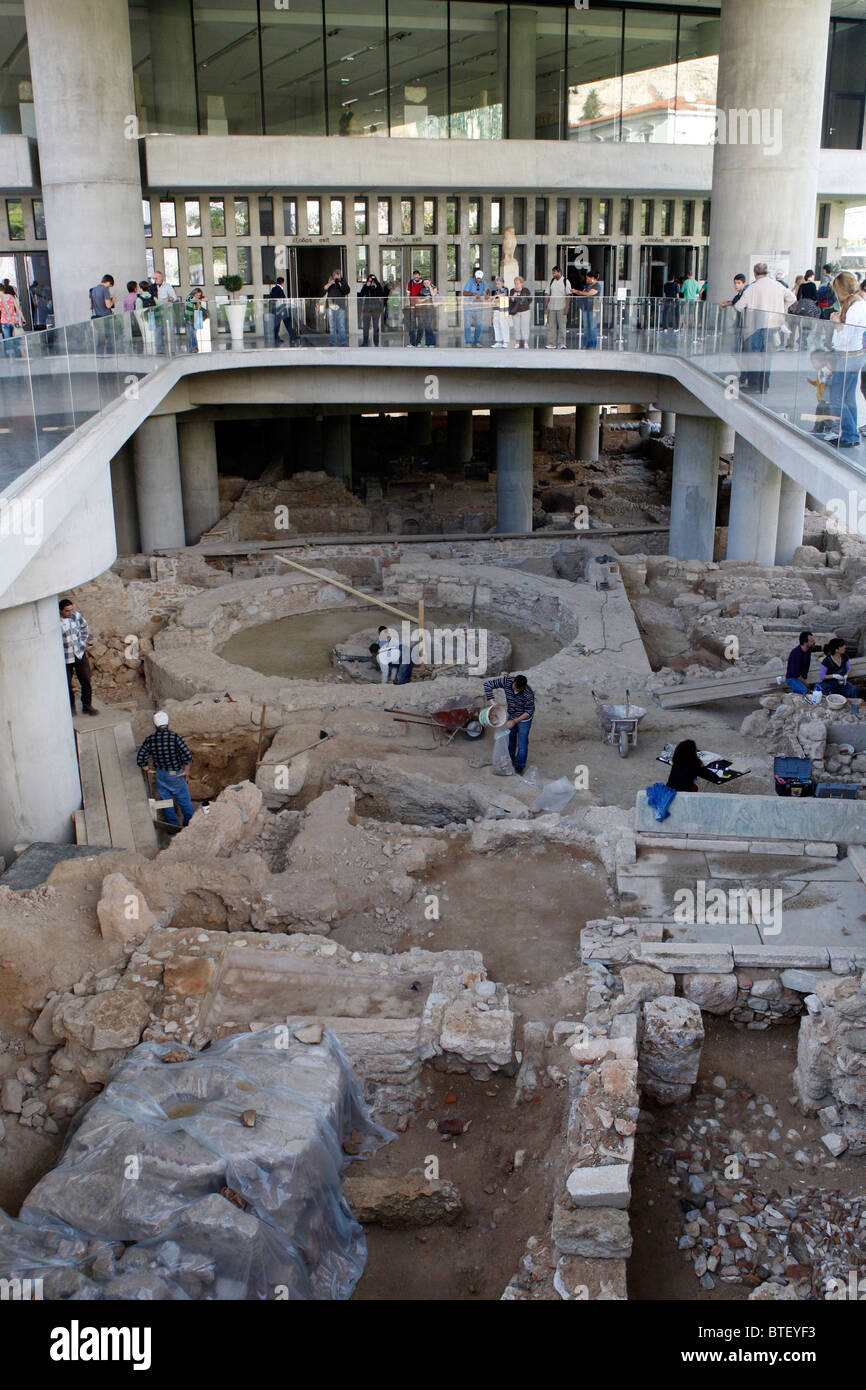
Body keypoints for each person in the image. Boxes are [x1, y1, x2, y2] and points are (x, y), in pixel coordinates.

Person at [733, 262, 795, 393]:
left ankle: (753, 385)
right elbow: (792, 298)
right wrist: (781, 308)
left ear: (755, 274)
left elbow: (738, 306)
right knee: (767, 357)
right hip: (773, 326)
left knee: (755, 356)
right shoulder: (778, 285)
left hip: (756, 326)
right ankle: (764, 386)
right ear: (767, 272)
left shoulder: (753, 288)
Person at [822, 271, 866, 448]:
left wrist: (836, 323)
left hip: (849, 357)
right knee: (847, 397)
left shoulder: (855, 306)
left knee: (836, 397)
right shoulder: (856, 304)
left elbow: (846, 335)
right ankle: (851, 433)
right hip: (855, 356)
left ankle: (849, 434)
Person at [136, 711, 195, 828]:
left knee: (166, 801)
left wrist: (148, 769)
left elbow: (140, 758)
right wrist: (186, 771)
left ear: (155, 725)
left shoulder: (150, 739)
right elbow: (187, 756)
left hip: (160, 774)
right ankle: (189, 825)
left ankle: (172, 826)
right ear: (168, 723)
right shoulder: (175, 737)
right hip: (174, 773)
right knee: (184, 799)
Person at [483, 673, 535, 775]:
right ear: (513, 682)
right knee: (510, 739)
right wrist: (493, 701)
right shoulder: (507, 681)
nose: (515, 691)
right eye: (514, 688)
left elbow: (529, 712)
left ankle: (520, 765)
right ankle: (509, 759)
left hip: (524, 720)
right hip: (512, 714)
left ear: (523, 688)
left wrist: (515, 721)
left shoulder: (528, 694)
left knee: (522, 744)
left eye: (518, 690)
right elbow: (487, 684)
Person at [59, 597, 98, 716]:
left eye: (71, 610)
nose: (70, 613)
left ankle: (87, 705)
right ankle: (71, 707)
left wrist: (82, 643)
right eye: (67, 611)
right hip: (65, 657)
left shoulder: (76, 616)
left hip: (79, 653)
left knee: (85, 679)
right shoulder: (56, 622)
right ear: (61, 611)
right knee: (67, 683)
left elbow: (85, 628)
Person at [545, 265, 571, 349]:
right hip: (551, 307)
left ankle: (562, 343)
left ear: (559, 272)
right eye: (553, 273)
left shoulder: (565, 281)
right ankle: (551, 343)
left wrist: (567, 307)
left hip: (561, 307)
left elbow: (568, 295)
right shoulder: (551, 281)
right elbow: (547, 293)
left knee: (562, 326)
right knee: (551, 326)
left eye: (555, 273)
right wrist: (546, 306)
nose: (553, 275)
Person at [358, 273, 386, 346]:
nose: (372, 281)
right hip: (367, 308)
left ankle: (376, 342)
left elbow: (382, 295)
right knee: (366, 326)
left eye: (373, 280)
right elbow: (361, 295)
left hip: (376, 308)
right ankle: (365, 342)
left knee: (376, 326)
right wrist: (366, 286)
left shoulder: (378, 285)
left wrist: (376, 287)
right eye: (370, 280)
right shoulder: (366, 286)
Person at [462, 267, 488, 346]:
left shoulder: (483, 282)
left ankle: (477, 341)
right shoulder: (470, 281)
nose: (478, 280)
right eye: (477, 278)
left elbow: (487, 290)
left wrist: (487, 293)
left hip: (478, 306)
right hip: (468, 306)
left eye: (480, 279)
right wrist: (473, 294)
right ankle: (468, 341)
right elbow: (464, 293)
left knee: (479, 324)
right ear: (475, 277)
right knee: (467, 324)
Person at [324, 268, 349, 345]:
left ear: (340, 275)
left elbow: (346, 291)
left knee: (341, 325)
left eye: (338, 274)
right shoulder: (331, 283)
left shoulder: (343, 282)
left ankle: (343, 342)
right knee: (332, 326)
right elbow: (325, 288)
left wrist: (340, 283)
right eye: (335, 275)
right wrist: (331, 282)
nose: (336, 276)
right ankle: (332, 342)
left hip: (340, 307)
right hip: (330, 306)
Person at [575, 270, 600, 349]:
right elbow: (583, 293)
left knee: (592, 327)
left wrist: (579, 292)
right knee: (586, 327)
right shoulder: (587, 285)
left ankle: (593, 345)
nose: (587, 280)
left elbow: (589, 293)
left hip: (594, 309)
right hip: (586, 308)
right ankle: (586, 344)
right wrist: (576, 291)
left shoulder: (597, 285)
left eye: (588, 278)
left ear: (592, 278)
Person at [0, 281, 24, 356]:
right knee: (16, 340)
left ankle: (9, 360)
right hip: (14, 321)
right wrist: (23, 319)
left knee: (7, 341)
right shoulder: (10, 297)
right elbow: (18, 309)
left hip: (4, 322)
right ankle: (18, 357)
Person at [508, 275, 532, 348]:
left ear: (521, 283)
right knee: (516, 327)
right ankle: (517, 343)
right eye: (515, 283)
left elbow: (530, 299)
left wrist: (524, 303)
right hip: (516, 312)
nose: (516, 285)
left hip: (525, 311)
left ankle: (526, 343)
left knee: (525, 327)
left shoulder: (526, 290)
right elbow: (510, 300)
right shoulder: (512, 290)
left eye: (518, 283)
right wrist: (513, 297)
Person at [416, 277, 438, 346]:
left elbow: (433, 295)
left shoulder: (434, 288)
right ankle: (427, 343)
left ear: (430, 282)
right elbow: (419, 300)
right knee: (425, 326)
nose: (426, 284)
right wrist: (425, 298)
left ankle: (432, 342)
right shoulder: (422, 290)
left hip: (430, 310)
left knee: (428, 326)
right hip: (423, 309)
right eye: (425, 283)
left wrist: (430, 287)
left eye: (427, 283)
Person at [184, 286, 206, 351]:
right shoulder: (189, 297)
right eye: (196, 294)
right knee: (192, 334)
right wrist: (200, 299)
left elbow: (200, 306)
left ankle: (194, 347)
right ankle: (193, 348)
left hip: (194, 319)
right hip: (188, 319)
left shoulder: (198, 301)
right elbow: (193, 299)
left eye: (199, 295)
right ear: (194, 293)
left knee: (193, 334)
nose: (198, 296)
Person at [491, 275, 511, 348]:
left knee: (504, 325)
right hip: (496, 309)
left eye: (499, 284)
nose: (497, 285)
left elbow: (504, 295)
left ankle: (505, 341)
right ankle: (498, 341)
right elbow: (494, 300)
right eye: (496, 284)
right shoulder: (496, 291)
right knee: (496, 324)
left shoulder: (505, 289)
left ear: (502, 283)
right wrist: (495, 298)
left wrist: (497, 297)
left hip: (503, 309)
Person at [406, 268, 425, 346]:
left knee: (421, 323)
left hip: (421, 306)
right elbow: (408, 294)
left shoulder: (423, 283)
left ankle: (418, 341)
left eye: (417, 277)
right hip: (412, 306)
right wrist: (408, 303)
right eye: (414, 277)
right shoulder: (410, 283)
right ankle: (412, 341)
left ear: (419, 276)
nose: (416, 278)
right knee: (412, 324)